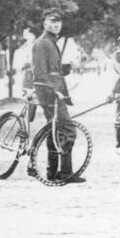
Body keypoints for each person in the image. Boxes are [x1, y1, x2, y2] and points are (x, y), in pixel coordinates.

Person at [31, 9, 83, 181]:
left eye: (58, 22)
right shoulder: (41, 43)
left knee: (54, 130)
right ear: (44, 23)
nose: (56, 25)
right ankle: (66, 172)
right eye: (52, 22)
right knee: (67, 129)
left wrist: (64, 69)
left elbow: (52, 70)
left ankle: (51, 172)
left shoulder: (51, 42)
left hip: (54, 92)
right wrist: (55, 91)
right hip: (49, 93)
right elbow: (40, 73)